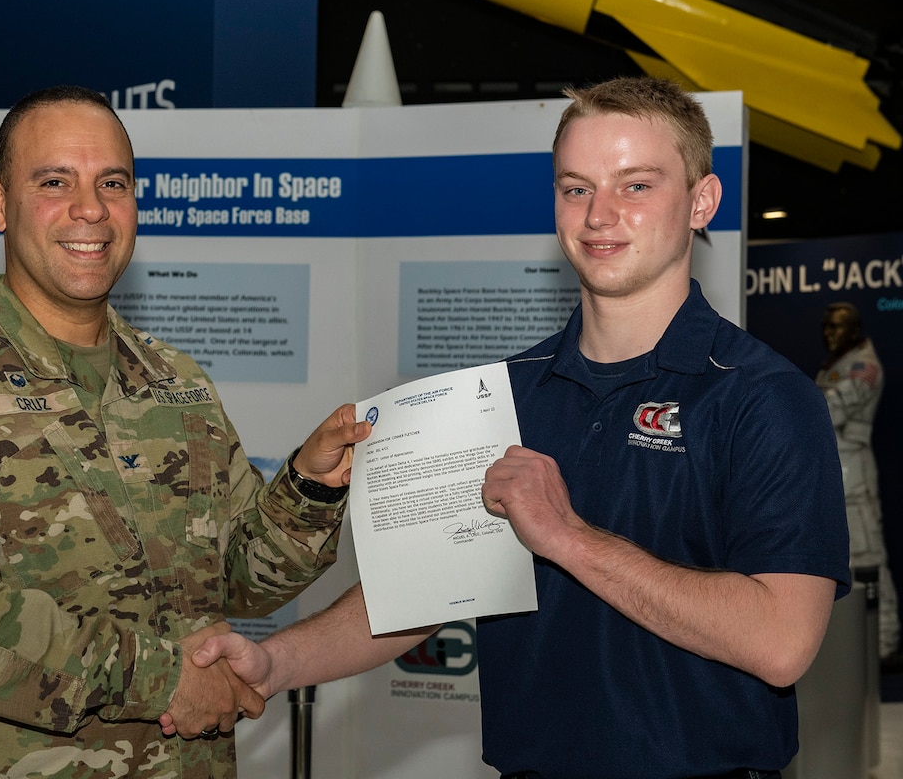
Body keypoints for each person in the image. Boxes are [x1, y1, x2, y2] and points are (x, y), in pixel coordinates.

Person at [166, 76, 851, 779]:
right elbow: (418, 593)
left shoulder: (763, 398)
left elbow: (781, 641)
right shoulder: (501, 394)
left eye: (636, 186)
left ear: (702, 201)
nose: (599, 216)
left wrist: (570, 539)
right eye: (576, 188)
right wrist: (273, 661)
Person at [0, 84, 369, 779]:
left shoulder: (175, 383)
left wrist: (308, 486)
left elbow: (241, 581)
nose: (90, 209)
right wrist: (163, 680)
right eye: (55, 181)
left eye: (112, 183)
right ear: (0, 203)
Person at [817, 301, 899, 661]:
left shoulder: (865, 367)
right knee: (844, 560)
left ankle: (883, 644)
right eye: (826, 327)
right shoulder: (835, 366)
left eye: (836, 327)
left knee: (867, 559)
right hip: (836, 472)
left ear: (853, 330)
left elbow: (828, 409)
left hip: (855, 475)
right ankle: (853, 646)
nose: (829, 334)